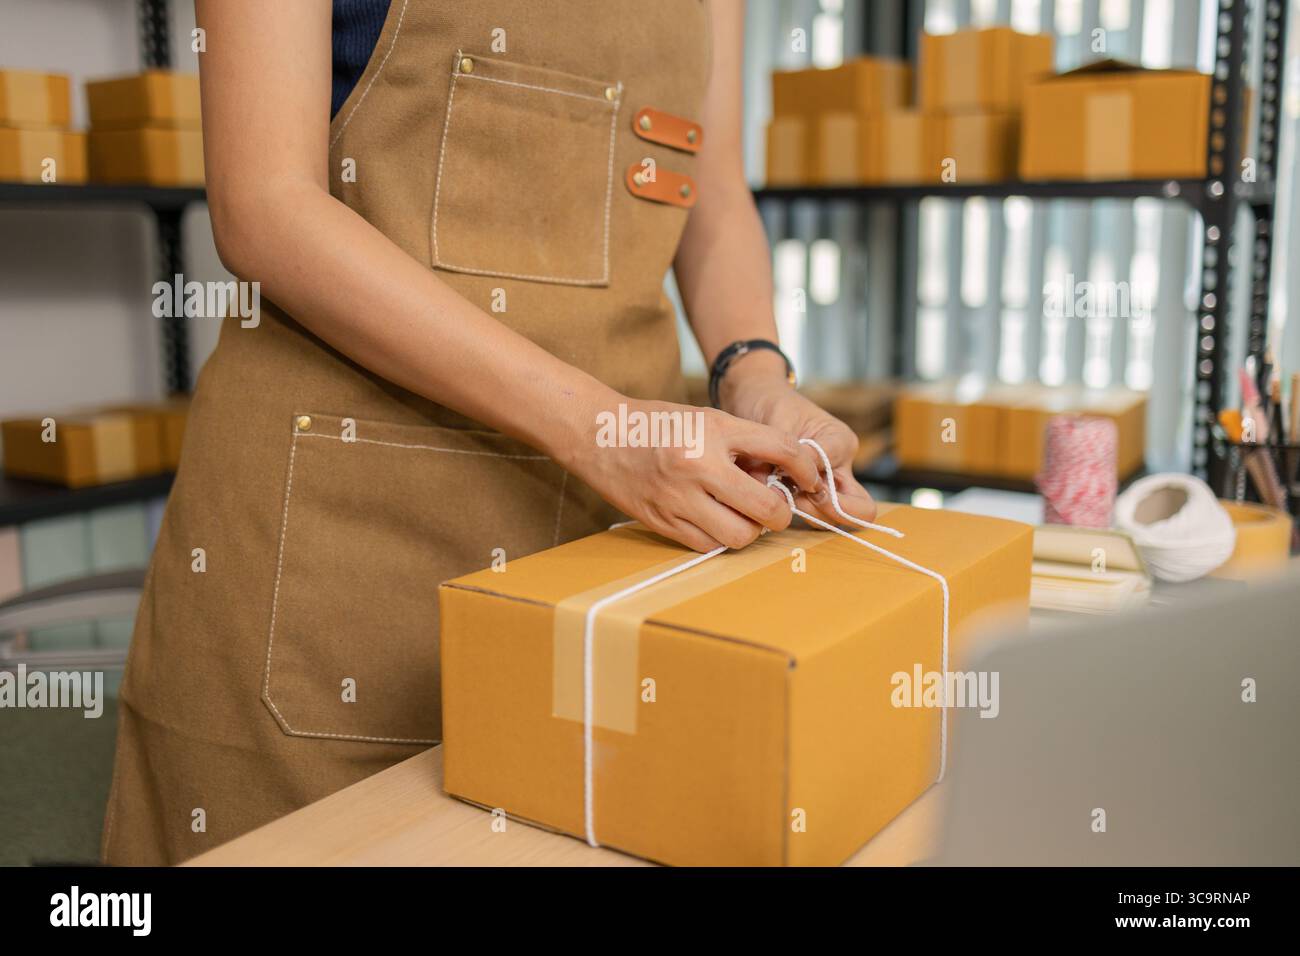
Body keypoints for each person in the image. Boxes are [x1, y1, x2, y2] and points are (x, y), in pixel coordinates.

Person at [102, 0, 878, 865]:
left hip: (613, 543)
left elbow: (714, 186)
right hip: (341, 548)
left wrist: (756, 376)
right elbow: (264, 204)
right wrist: (595, 426)